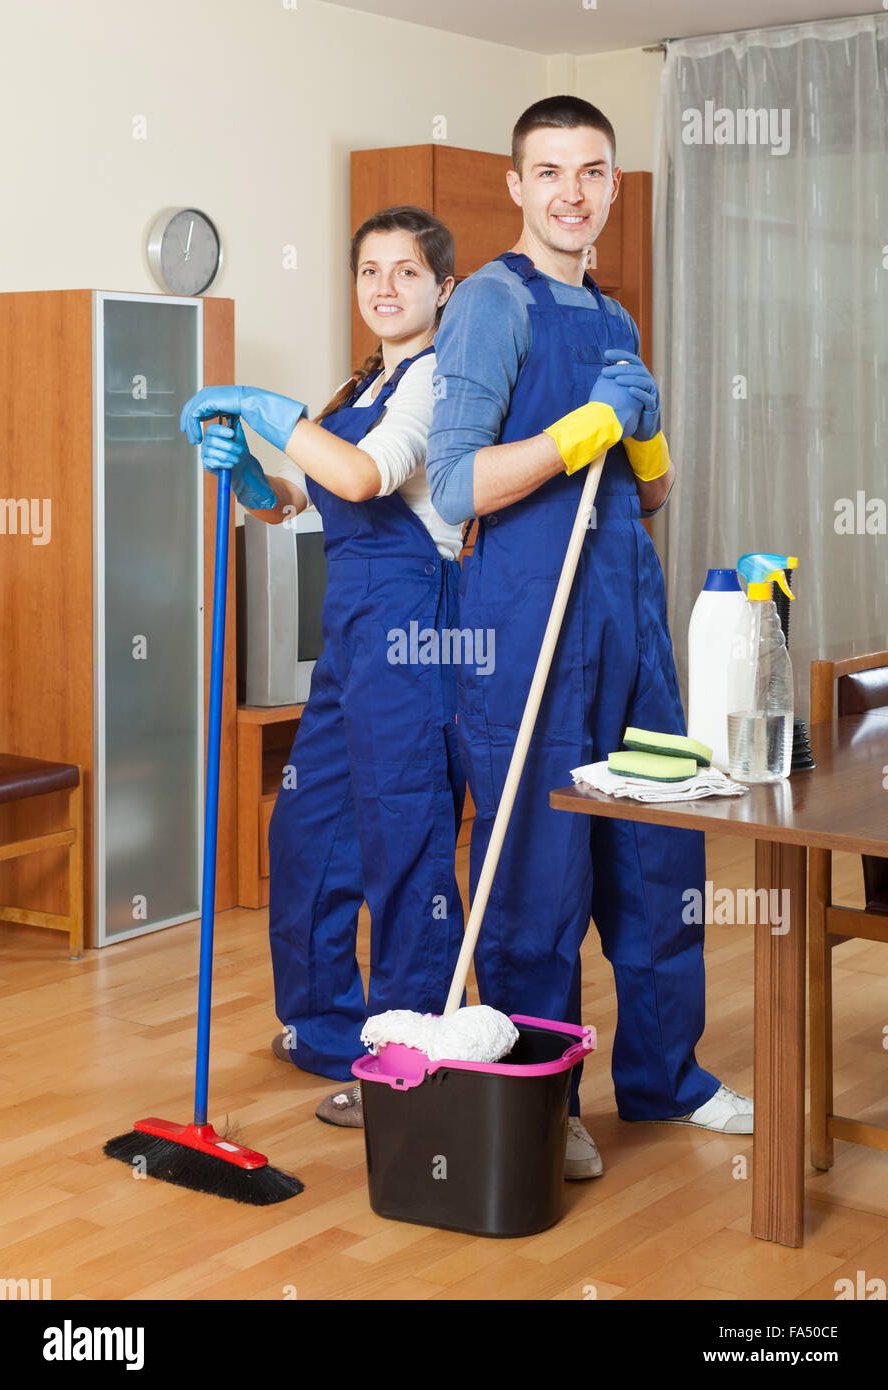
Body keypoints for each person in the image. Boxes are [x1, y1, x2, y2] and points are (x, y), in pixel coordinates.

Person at [426, 96, 752, 1180]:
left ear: (613, 185)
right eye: (548, 170)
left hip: (629, 622)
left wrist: (645, 437)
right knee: (535, 876)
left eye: (592, 171)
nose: (572, 191)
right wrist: (581, 430)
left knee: (660, 857)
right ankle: (540, 1099)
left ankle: (666, 1078)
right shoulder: (486, 303)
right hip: (529, 634)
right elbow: (455, 483)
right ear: (514, 187)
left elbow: (642, 500)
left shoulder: (615, 320)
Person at [181, 206, 464, 1128]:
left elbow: (364, 479)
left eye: (406, 272)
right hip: (351, 640)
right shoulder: (354, 387)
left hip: (413, 635)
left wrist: (268, 411)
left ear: (443, 288)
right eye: (369, 272)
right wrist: (254, 479)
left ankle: (411, 1052)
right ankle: (326, 1026)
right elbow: (307, 494)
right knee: (308, 833)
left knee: (403, 840)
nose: (385, 288)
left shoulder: (438, 382)